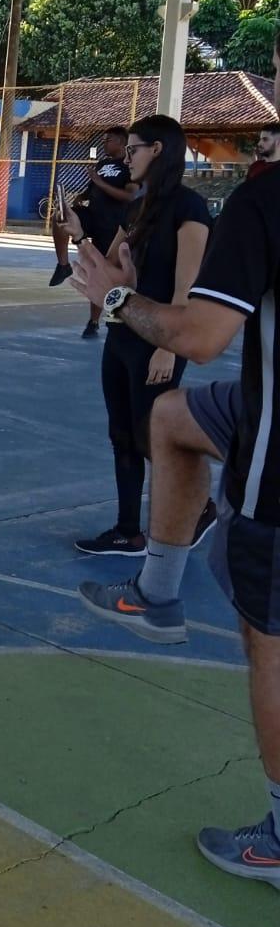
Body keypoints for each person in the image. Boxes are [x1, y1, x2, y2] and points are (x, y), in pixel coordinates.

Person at [71, 115, 280, 886]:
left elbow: (201, 335)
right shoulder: (188, 203)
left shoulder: (260, 204)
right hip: (247, 402)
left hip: (275, 451)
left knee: (270, 637)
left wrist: (116, 294)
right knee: (174, 418)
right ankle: (157, 591)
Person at [62, 115, 214, 558]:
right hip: (124, 332)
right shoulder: (138, 208)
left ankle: (201, 506)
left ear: (159, 150)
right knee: (123, 434)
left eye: (133, 150)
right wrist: (79, 236)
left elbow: (187, 288)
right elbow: (108, 269)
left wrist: (168, 347)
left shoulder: (190, 210)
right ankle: (129, 531)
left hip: (160, 340)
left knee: (154, 437)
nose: (125, 158)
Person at [49, 125, 137, 338]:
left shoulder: (129, 167)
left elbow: (128, 197)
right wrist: (83, 195)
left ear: (122, 143)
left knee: (100, 271)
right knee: (60, 218)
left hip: (113, 224)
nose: (104, 142)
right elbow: (93, 189)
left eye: (109, 139)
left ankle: (94, 321)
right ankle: (63, 266)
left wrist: (98, 181)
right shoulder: (103, 163)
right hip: (93, 215)